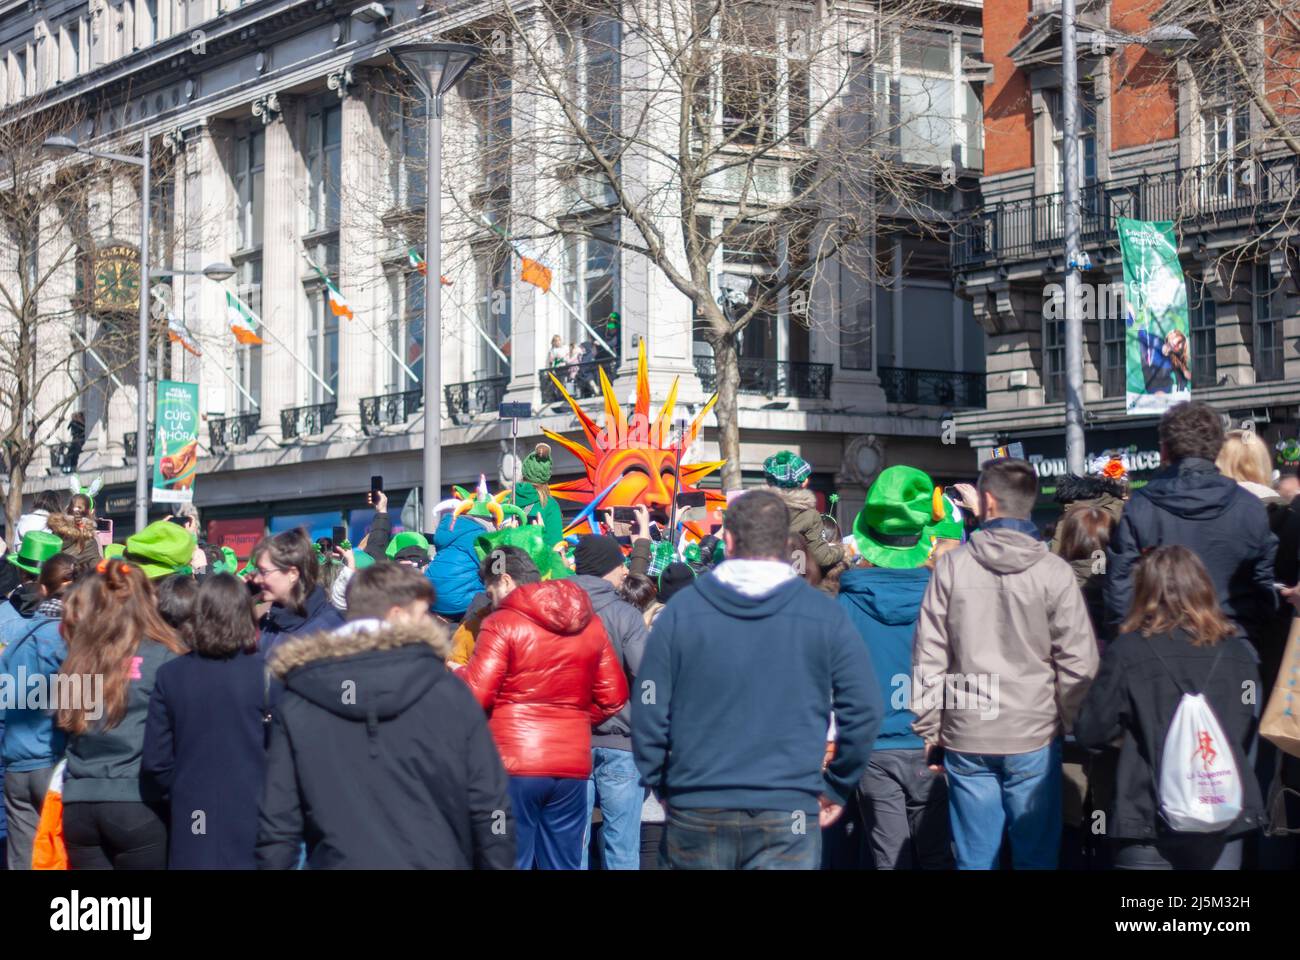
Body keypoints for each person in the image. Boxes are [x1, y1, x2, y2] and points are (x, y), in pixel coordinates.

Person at [633, 489, 883, 870]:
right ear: (786, 543)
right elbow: (864, 707)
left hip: (698, 802)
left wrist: (661, 779)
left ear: (728, 541)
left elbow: (648, 705)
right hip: (787, 805)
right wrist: (837, 784)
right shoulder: (824, 614)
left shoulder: (682, 612)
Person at [258, 562, 515, 869]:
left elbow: (278, 825)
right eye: (423, 616)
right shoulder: (449, 695)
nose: (433, 624)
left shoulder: (301, 698)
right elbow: (490, 808)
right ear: (398, 616)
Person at [912, 457, 1098, 870]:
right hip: (1032, 728)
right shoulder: (1054, 572)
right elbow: (1078, 659)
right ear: (1028, 504)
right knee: (1036, 858)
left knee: (976, 860)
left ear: (988, 502)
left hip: (968, 728)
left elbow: (930, 653)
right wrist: (1070, 720)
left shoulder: (952, 567)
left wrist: (928, 725)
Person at [1075, 545, 1264, 869]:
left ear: (1144, 590)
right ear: (1204, 588)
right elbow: (1247, 722)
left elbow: (1092, 731)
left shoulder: (1128, 652)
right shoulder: (1238, 654)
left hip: (1146, 815)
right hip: (1222, 812)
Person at [460, 554, 628, 870]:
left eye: (490, 590)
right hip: (571, 767)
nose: (489, 599)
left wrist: (457, 675)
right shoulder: (590, 623)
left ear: (505, 580)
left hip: (512, 764)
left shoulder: (501, 623)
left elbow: (475, 695)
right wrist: (572, 721)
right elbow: (613, 696)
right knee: (563, 863)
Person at [839, 466, 953, 870]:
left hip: (873, 748)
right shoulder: (946, 598)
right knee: (937, 854)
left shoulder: (845, 605)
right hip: (932, 744)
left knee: (889, 858)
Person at [1106, 402, 1276, 642]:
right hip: (1232, 647)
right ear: (1218, 449)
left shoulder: (1139, 507)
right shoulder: (1250, 508)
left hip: (1159, 647)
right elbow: (1263, 591)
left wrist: (1129, 644)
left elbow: (1120, 590)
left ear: (1164, 451)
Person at [57, 559, 188, 869]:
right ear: (147, 601)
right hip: (137, 802)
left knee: (101, 918)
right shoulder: (165, 656)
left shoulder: (77, 657)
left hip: (78, 805)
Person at [140, 574, 265, 869]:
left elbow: (156, 761)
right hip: (253, 815)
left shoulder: (171, 675)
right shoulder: (267, 674)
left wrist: (184, 789)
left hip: (192, 814)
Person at [572, 534, 650, 871]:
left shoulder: (556, 611)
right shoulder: (625, 616)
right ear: (607, 568)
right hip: (621, 740)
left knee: (572, 845)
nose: (624, 573)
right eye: (620, 565)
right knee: (621, 847)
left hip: (568, 742)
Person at [0, 552, 76, 869]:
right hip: (55, 767)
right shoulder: (73, 641)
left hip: (16, 768)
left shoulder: (14, 639)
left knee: (22, 861)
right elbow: (87, 711)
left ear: (42, 589)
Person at [251, 527, 344, 660]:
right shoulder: (268, 623)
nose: (257, 579)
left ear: (293, 574)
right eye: (257, 571)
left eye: (264, 572)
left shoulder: (332, 628)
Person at [766, 451, 846, 579]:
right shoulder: (809, 516)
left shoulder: (755, 509)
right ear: (804, 483)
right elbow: (822, 558)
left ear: (769, 482)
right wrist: (842, 550)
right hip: (791, 582)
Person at [512, 445, 565, 547]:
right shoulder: (549, 505)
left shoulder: (508, 501)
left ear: (524, 472)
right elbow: (556, 547)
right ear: (546, 476)